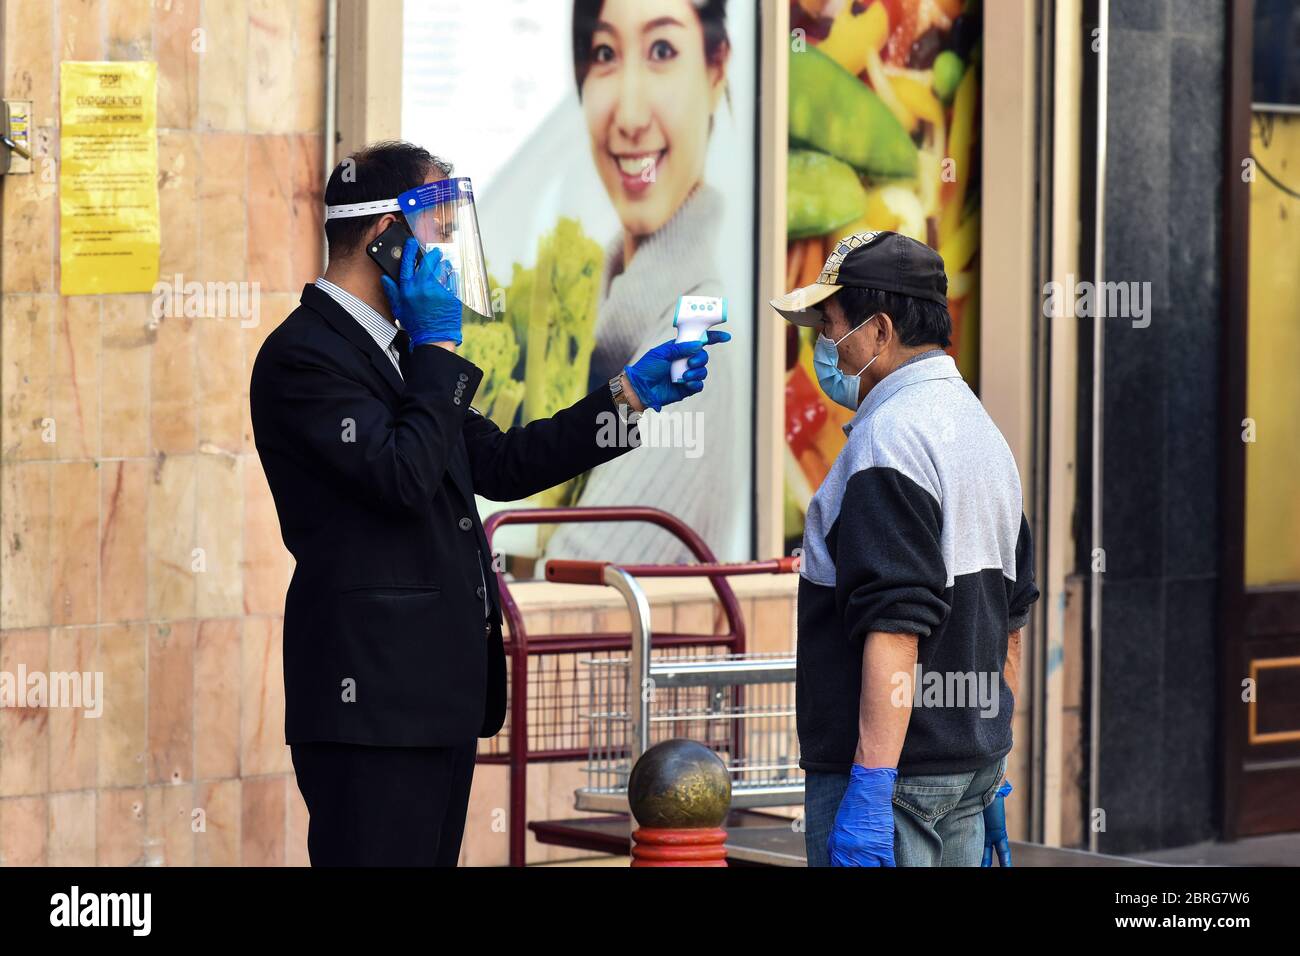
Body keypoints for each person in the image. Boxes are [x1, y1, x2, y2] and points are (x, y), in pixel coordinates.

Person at [249, 141, 729, 866]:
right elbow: (402, 475)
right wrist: (437, 344)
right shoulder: (304, 357)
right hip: (369, 707)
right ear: (387, 242)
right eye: (438, 232)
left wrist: (626, 397)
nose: (448, 252)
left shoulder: (401, 354)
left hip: (433, 701)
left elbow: (503, 462)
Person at [770, 231, 1039, 867]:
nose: (823, 346)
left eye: (830, 324)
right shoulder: (979, 430)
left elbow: (895, 625)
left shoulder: (888, 439)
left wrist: (869, 789)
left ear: (880, 331)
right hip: (965, 776)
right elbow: (1013, 619)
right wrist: (992, 757)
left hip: (897, 783)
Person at [544, 0, 740, 564]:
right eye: (604, 53)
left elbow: (573, 587)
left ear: (716, 67)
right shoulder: (599, 313)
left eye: (661, 50)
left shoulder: (695, 335)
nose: (628, 115)